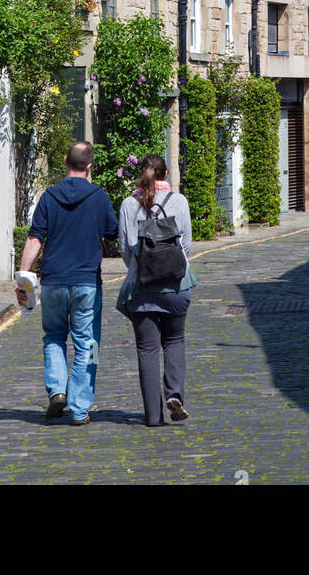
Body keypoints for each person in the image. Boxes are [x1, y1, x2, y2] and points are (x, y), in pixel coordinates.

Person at [16, 141, 119, 426]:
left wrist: (23, 275)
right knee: (88, 343)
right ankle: (79, 407)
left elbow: (35, 237)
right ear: (89, 165)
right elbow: (112, 233)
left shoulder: (49, 197)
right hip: (87, 282)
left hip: (53, 281)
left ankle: (57, 391)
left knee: (53, 336)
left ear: (65, 161)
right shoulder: (99, 197)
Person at [117, 154, 197, 427]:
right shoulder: (179, 201)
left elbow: (126, 250)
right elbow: (186, 248)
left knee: (147, 348)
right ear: (165, 174)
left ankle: (152, 416)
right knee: (174, 341)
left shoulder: (129, 204)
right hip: (177, 285)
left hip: (142, 288)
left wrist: (142, 269)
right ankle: (174, 395)